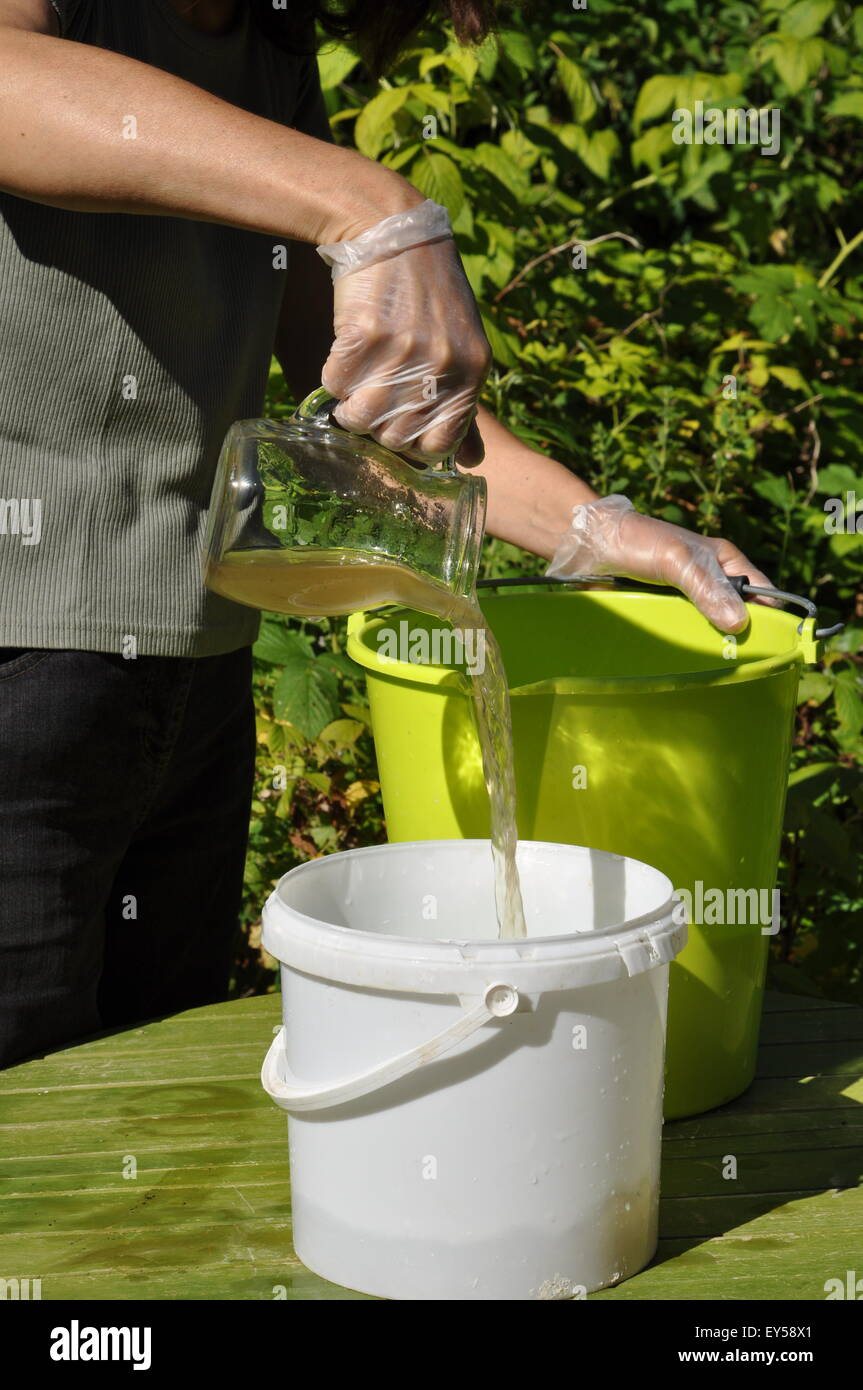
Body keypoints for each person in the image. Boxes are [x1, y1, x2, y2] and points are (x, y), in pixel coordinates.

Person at [0, 0, 771, 1068]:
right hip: (21, 664)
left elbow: (372, 384)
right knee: (25, 1124)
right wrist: (369, 200)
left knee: (134, 1097)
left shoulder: (260, 52)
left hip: (189, 678)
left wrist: (598, 526)